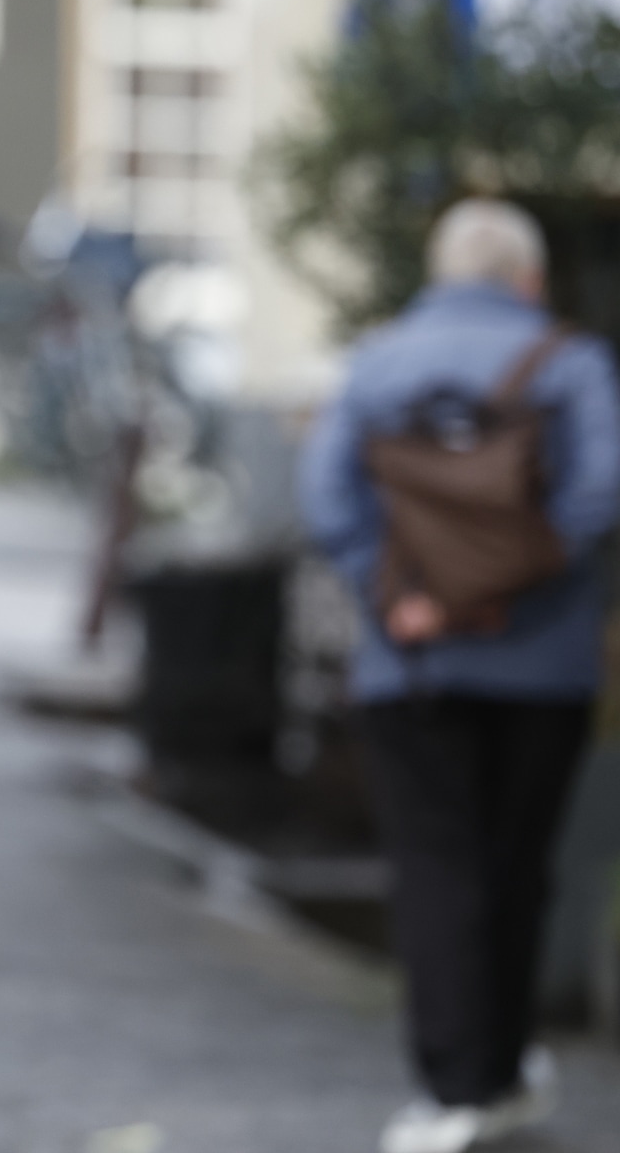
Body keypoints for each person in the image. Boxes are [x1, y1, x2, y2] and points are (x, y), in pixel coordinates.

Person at [299, 198, 620, 1153]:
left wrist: (401, 596)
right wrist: (517, 574)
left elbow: (326, 493)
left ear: (438, 274)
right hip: (544, 665)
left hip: (411, 662)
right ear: (529, 277)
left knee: (436, 867)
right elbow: (602, 485)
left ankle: (452, 1089)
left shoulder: (375, 361)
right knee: (519, 868)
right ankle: (501, 1071)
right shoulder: (571, 364)